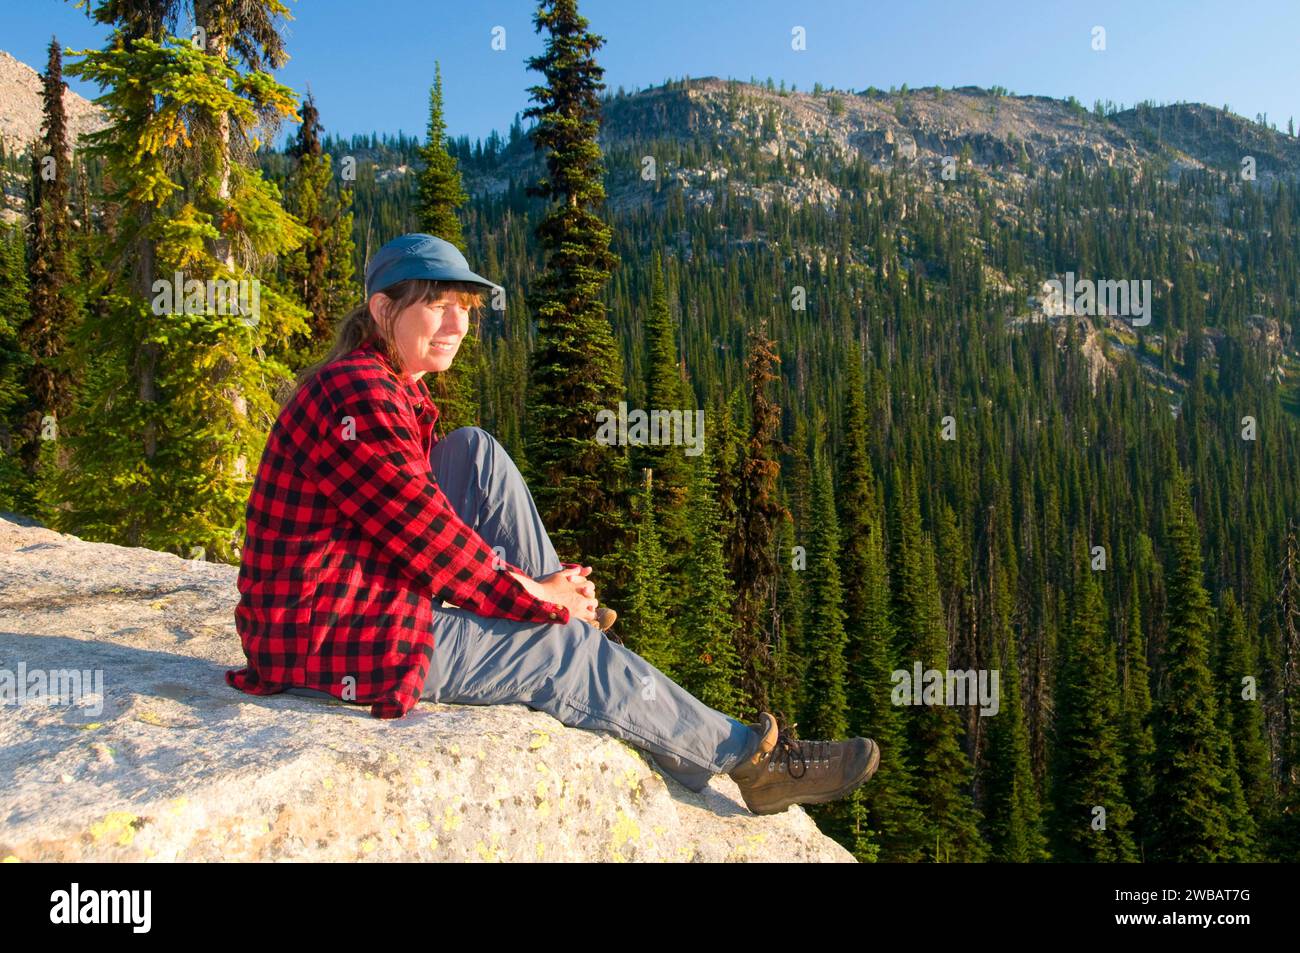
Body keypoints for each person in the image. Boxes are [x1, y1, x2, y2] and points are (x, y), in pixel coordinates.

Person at [227, 232, 880, 815]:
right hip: (332, 630)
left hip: (349, 588)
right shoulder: (359, 395)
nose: (457, 322)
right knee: (555, 650)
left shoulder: (383, 383)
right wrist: (531, 595)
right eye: (436, 303)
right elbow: (424, 535)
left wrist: (536, 588)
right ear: (381, 310)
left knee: (474, 453)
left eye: (467, 307)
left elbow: (421, 517)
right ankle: (748, 758)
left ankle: (576, 635)